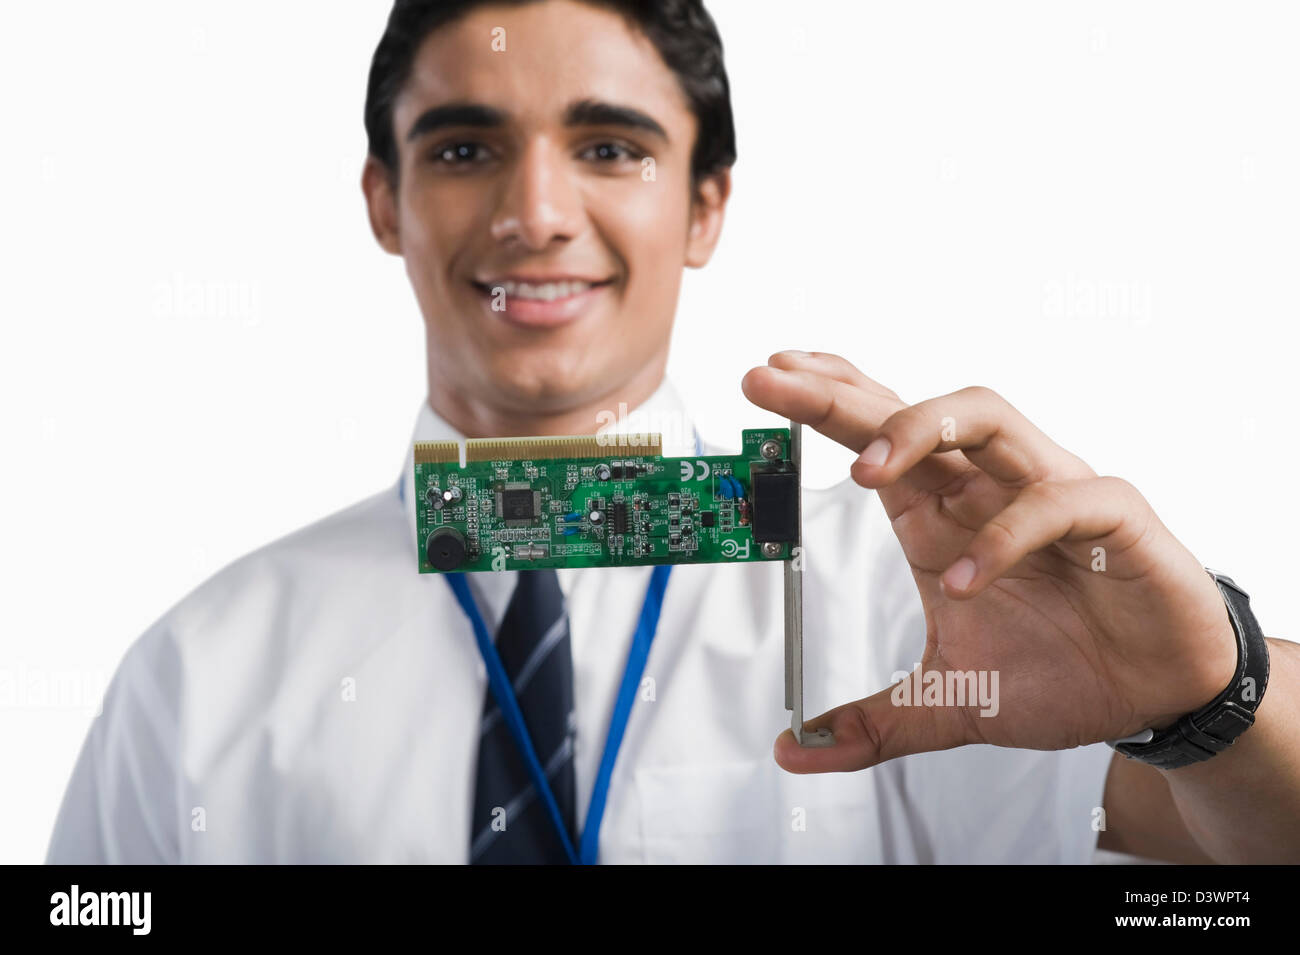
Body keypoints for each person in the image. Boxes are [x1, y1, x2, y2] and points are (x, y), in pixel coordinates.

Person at [46, 0, 1299, 864]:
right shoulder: (196, 671)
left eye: (608, 146)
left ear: (707, 206)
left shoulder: (917, 601)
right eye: (467, 145)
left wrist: (1208, 693)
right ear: (385, 199)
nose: (537, 211)